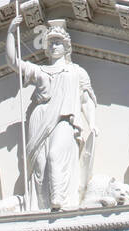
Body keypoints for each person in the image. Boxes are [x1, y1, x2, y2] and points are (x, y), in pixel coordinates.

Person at [6, 12, 97, 211]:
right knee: (39, 166)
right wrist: (11, 32)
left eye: (58, 43)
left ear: (66, 47)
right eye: (51, 43)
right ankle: (42, 206)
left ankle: (59, 199)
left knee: (55, 155)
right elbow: (13, 62)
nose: (54, 46)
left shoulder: (76, 71)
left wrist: (92, 123)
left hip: (64, 118)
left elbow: (85, 99)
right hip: (39, 119)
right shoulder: (40, 71)